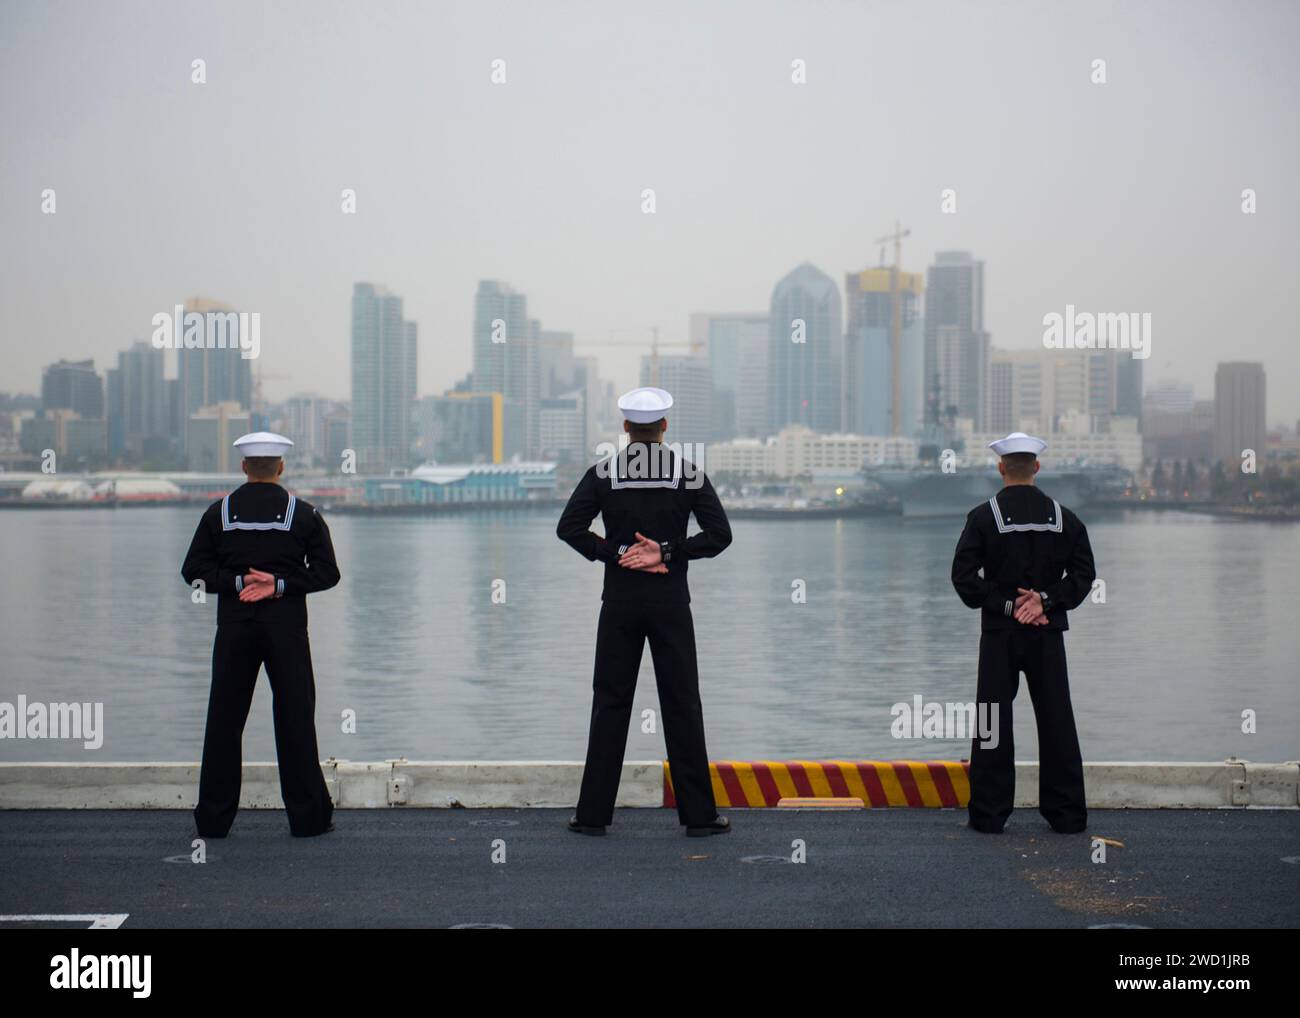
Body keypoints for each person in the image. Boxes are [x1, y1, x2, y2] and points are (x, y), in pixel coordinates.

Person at [557, 387, 733, 837]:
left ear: (626, 429)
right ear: (665, 428)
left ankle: (593, 815)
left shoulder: (603, 474)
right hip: (671, 603)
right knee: (682, 704)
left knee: (610, 703)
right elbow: (719, 535)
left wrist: (616, 551)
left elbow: (570, 528)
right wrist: (668, 552)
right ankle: (699, 817)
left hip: (619, 603)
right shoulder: (687, 474)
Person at [181, 432, 340, 838]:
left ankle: (214, 821)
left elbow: (193, 572)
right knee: (295, 717)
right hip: (285, 628)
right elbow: (327, 573)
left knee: (224, 719)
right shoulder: (305, 515)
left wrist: (236, 581)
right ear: (281, 467)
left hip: (235, 628)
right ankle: (308, 819)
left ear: (244, 467)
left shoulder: (217, 514)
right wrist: (281, 585)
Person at [950, 432, 1096, 835]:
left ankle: (989, 815)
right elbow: (1084, 576)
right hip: (1047, 634)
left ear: (1001, 469)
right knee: (1056, 719)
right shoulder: (1066, 518)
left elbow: (963, 577)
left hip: (1000, 634)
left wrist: (1010, 605)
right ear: (1036, 468)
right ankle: (1067, 815)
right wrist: (1045, 600)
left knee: (992, 720)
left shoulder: (982, 518)